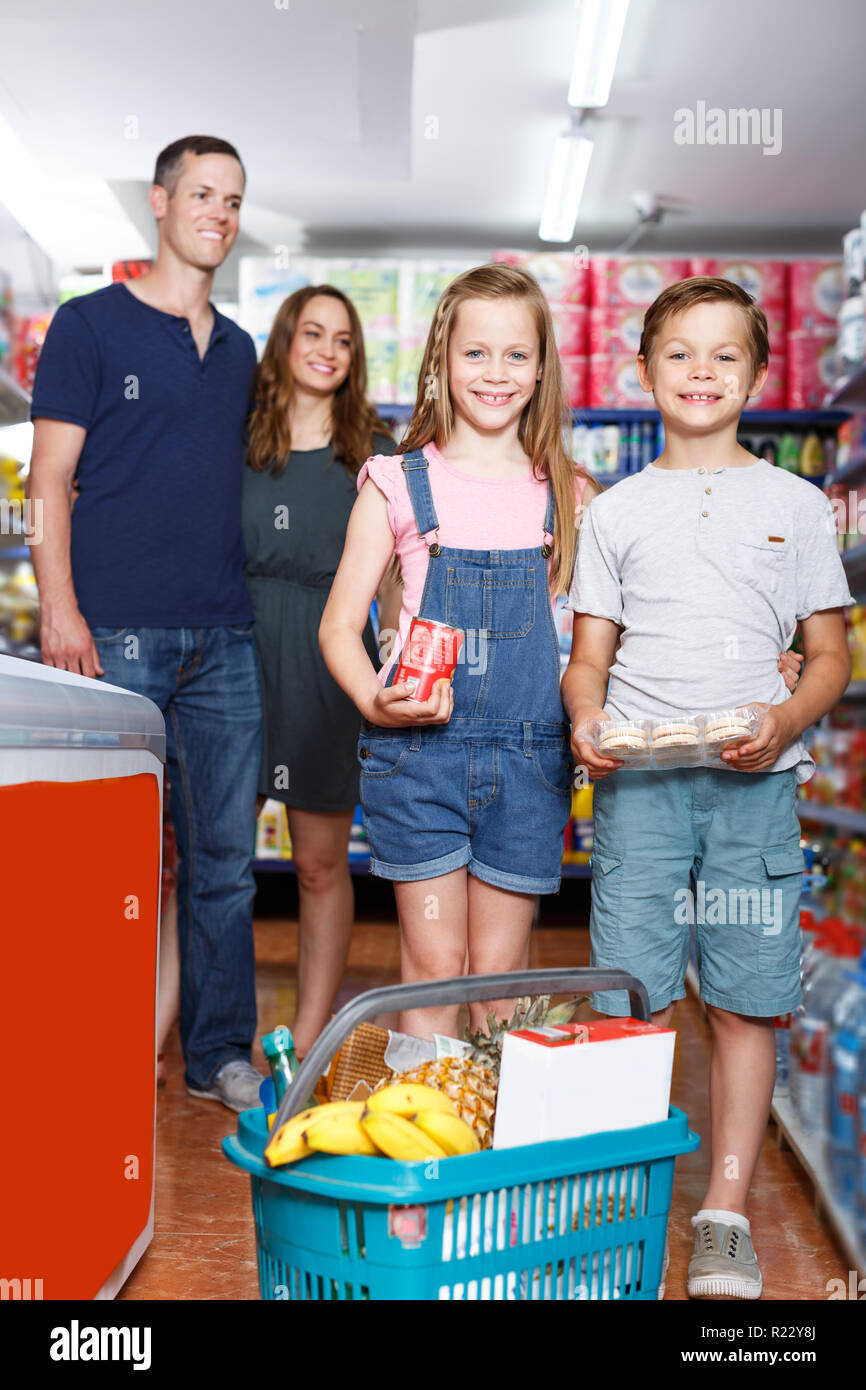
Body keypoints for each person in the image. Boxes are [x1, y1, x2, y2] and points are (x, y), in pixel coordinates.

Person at [563, 276, 853, 1300]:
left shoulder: (796, 503)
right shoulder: (615, 510)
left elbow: (827, 654)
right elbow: (587, 658)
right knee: (630, 998)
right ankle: (619, 1200)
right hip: (640, 789)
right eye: (677, 353)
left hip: (754, 790)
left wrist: (782, 719)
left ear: (758, 375)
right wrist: (583, 720)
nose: (698, 371)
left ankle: (722, 1211)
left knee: (746, 1000)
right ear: (641, 373)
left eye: (722, 354)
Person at [27, 135, 266, 1113]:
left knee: (224, 864)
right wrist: (60, 608)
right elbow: (47, 483)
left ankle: (217, 1057)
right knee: (106, 865)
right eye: (202, 192)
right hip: (116, 633)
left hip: (226, 638)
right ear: (160, 203)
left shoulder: (243, 347)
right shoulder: (88, 326)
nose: (219, 210)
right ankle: (83, 1048)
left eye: (234, 198)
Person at [320, 263, 593, 1041]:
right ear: (442, 359)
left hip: (529, 762)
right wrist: (376, 698)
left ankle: (492, 1159)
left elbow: (610, 631)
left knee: (500, 989)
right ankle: (434, 1152)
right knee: (433, 969)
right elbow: (339, 627)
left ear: (542, 367)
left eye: (516, 354)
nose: (496, 373)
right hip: (418, 760)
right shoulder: (397, 481)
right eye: (476, 353)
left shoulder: (571, 495)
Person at [243, 285, 399, 1056]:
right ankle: (196, 1026)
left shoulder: (373, 448)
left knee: (317, 862)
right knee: (209, 863)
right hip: (232, 658)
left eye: (343, 339)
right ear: (285, 340)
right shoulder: (239, 436)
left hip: (328, 661)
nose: (328, 351)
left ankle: (307, 1032)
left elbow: (400, 571)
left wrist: (403, 643)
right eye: (313, 333)